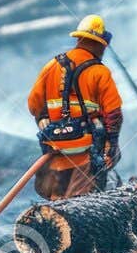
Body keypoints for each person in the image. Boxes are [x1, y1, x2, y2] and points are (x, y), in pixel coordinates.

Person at [26, 14, 124, 200]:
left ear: (79, 39)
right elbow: (114, 113)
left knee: (58, 200)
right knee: (84, 201)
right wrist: (111, 146)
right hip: (87, 152)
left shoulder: (52, 65)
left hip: (55, 149)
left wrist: (44, 120)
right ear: (98, 43)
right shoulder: (99, 72)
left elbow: (33, 104)